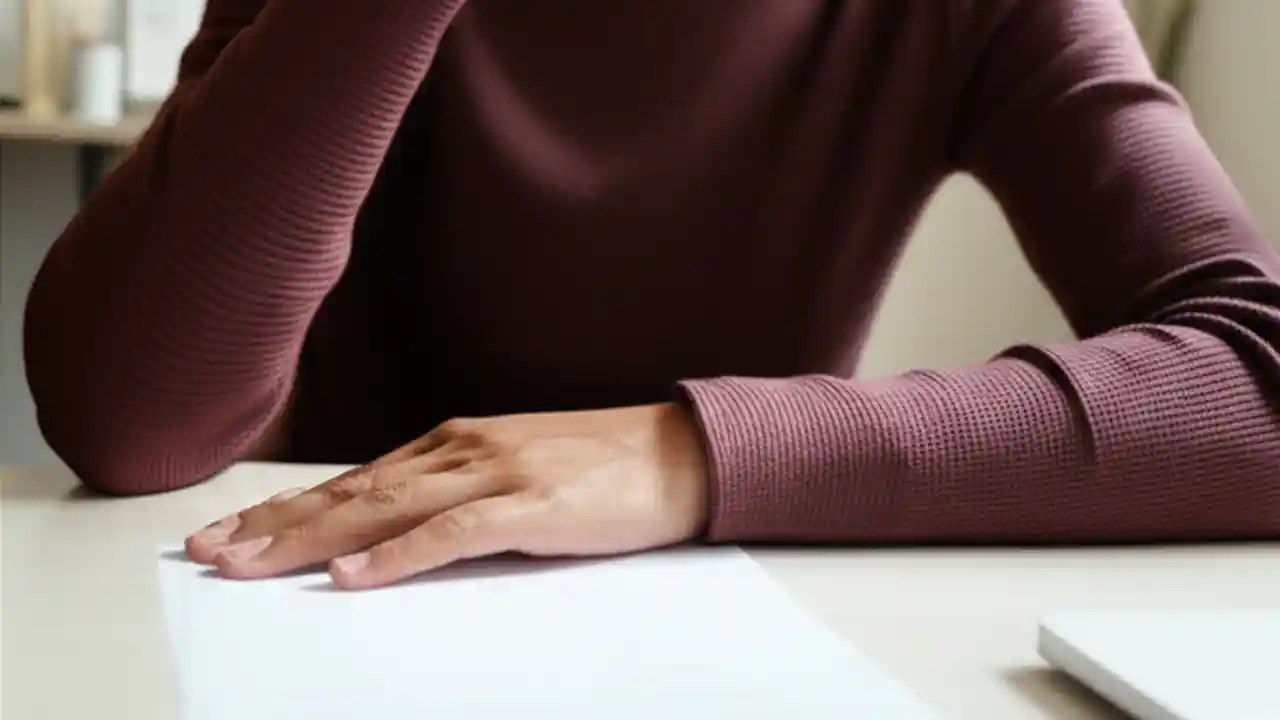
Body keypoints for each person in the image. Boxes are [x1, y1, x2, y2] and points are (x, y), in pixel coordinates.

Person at [23, 0, 1280, 590]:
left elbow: (1256, 375)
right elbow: (130, 421)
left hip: (732, 638)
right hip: (307, 611)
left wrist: (692, 450)